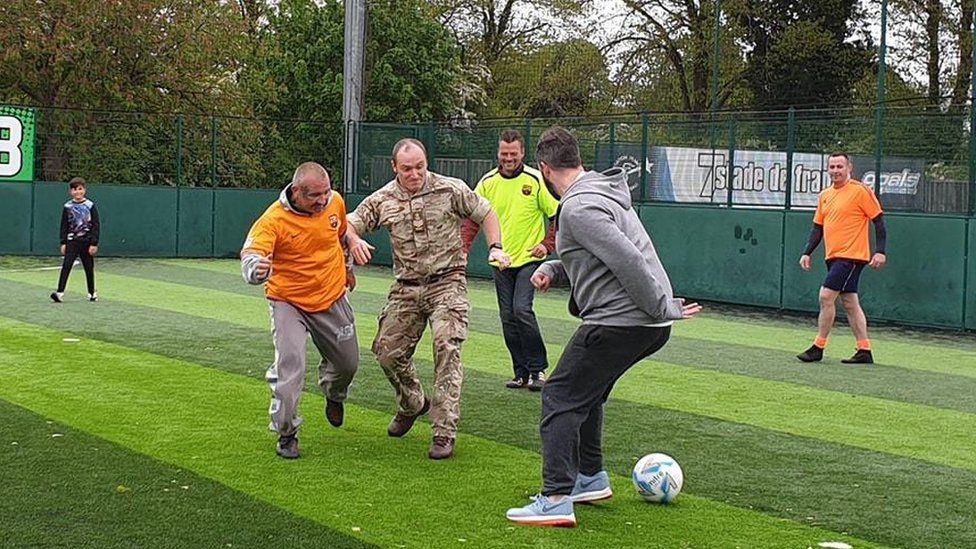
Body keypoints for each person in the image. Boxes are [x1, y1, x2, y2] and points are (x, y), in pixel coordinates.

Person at [505, 126, 702, 528]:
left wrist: (665, 306)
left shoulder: (579, 207)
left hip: (624, 321)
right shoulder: (601, 193)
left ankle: (556, 497)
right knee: (587, 394)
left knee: (558, 396)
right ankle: (589, 478)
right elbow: (597, 258)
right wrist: (553, 271)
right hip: (640, 322)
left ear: (544, 168)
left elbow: (628, 260)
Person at [345, 138, 512, 460]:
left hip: (447, 283)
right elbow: (352, 222)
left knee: (446, 346)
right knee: (387, 354)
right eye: (407, 168)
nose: (414, 174)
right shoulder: (384, 198)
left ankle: (444, 431)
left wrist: (495, 247)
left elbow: (486, 212)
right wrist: (352, 240)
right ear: (395, 168)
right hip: (406, 287)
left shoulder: (450, 189)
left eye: (420, 166)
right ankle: (412, 402)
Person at [240, 162, 360, 459]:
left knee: (348, 363)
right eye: (315, 196)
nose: (322, 200)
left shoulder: (335, 203)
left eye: (326, 192)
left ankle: (333, 393)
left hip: (331, 295)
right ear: (296, 192)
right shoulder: (273, 220)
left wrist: (348, 267)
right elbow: (251, 255)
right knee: (290, 366)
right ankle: (286, 432)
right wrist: (256, 270)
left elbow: (341, 235)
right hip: (288, 300)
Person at [461, 129, 559, 391]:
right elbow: (472, 217)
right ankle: (521, 373)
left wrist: (546, 245)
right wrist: (463, 249)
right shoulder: (487, 182)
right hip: (500, 261)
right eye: (504, 154)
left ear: (522, 153)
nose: (508, 158)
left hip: (529, 259)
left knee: (521, 310)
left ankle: (538, 370)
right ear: (498, 153)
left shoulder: (536, 179)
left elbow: (558, 214)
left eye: (513, 154)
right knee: (507, 317)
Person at [797, 152, 887, 364]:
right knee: (849, 302)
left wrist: (880, 251)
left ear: (849, 168)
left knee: (826, 297)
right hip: (834, 257)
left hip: (852, 256)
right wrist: (806, 252)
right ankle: (864, 349)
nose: (835, 171)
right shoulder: (825, 195)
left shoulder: (860, 191)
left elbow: (880, 222)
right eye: (832, 167)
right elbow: (817, 228)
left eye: (840, 166)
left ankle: (818, 347)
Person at [50, 177, 100, 303]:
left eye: (80, 189)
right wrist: (63, 242)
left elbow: (96, 225)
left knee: (88, 267)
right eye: (74, 190)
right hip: (72, 241)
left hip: (87, 241)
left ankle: (92, 293)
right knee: (66, 266)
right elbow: (64, 225)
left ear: (84, 190)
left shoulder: (90, 205)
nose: (77, 192)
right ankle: (59, 293)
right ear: (70, 191)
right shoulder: (67, 206)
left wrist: (94, 243)